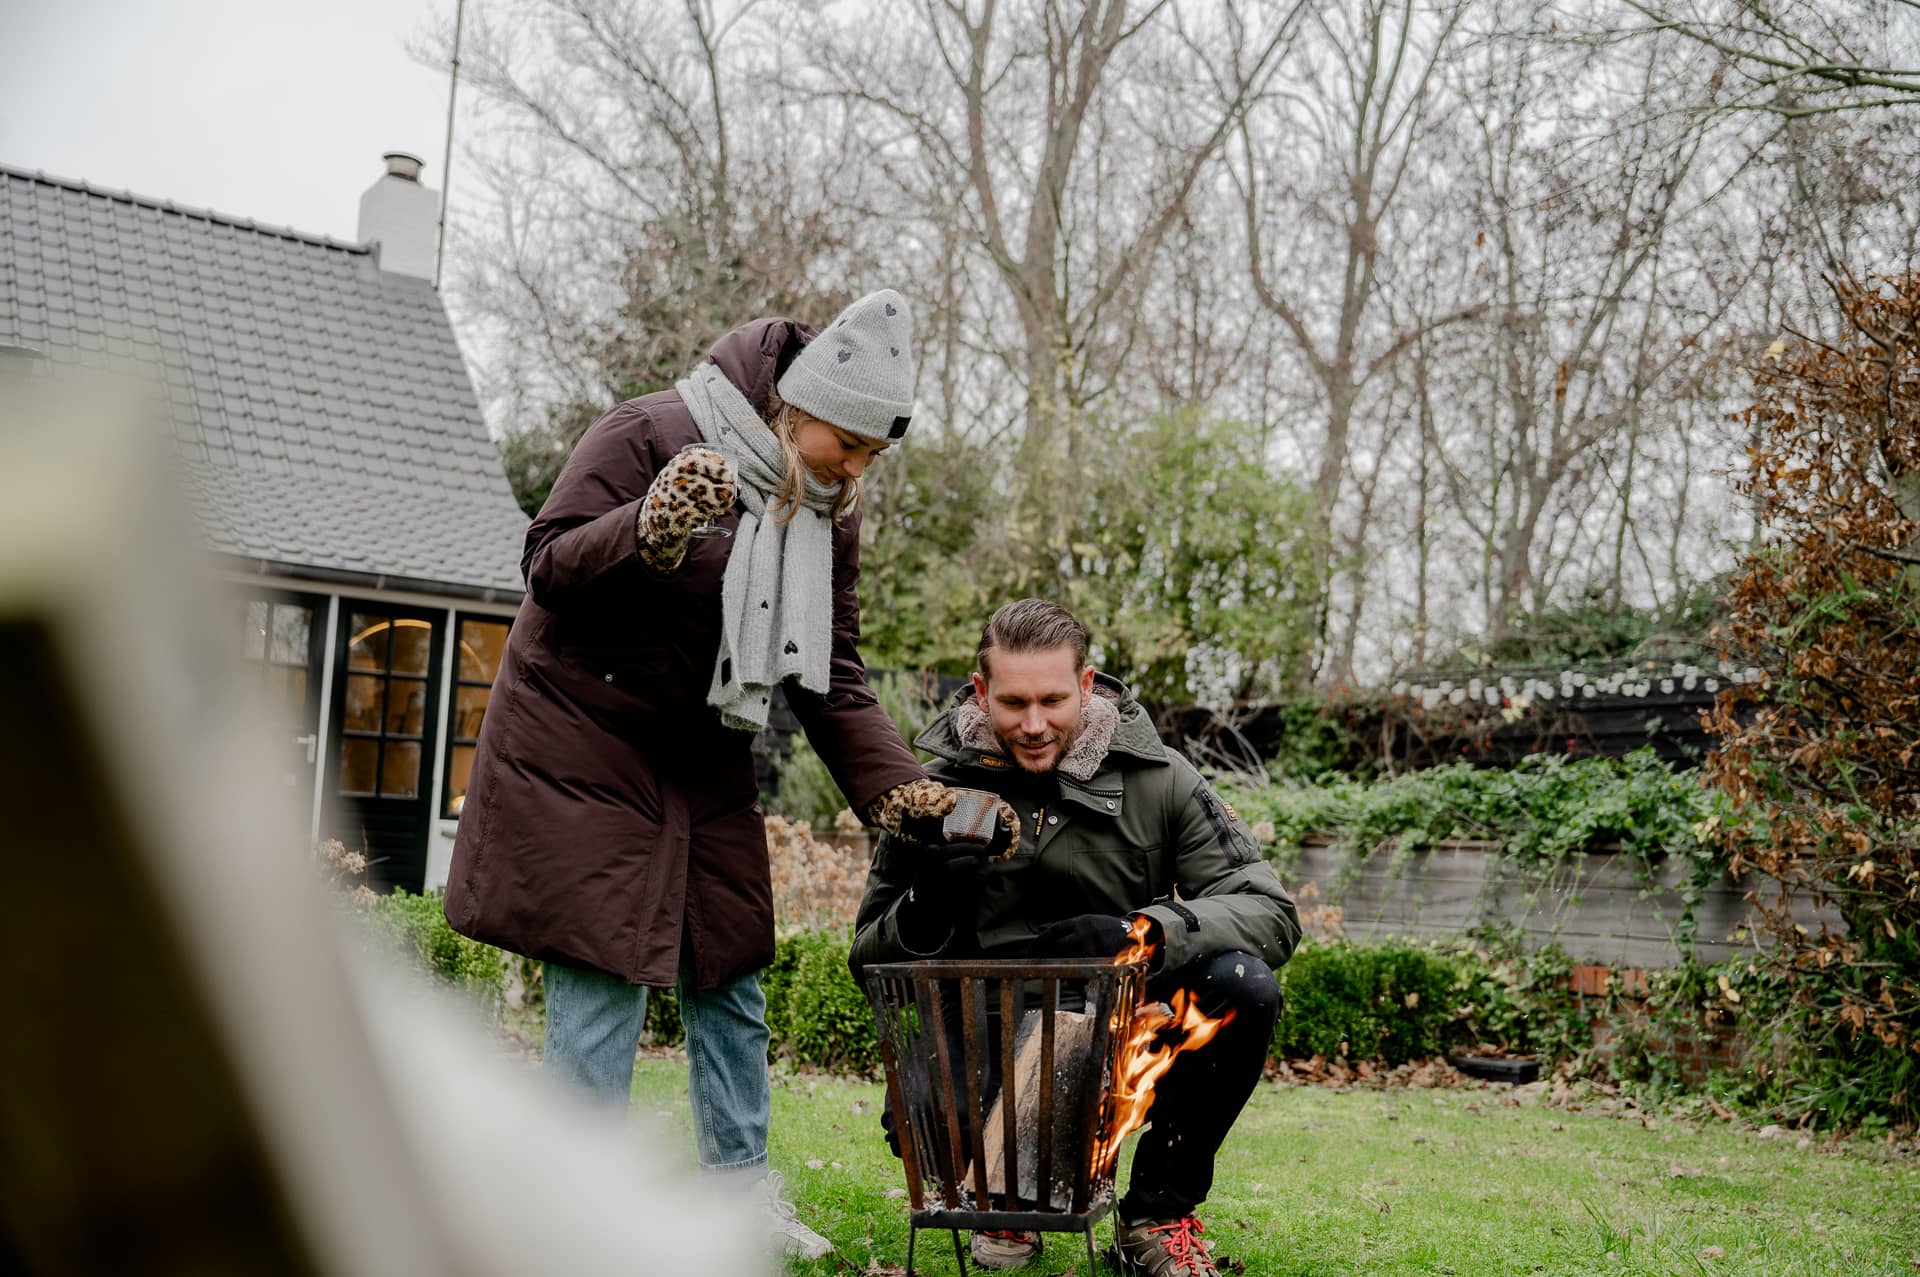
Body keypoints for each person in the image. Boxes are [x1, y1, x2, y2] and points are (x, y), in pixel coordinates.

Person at [444, 291, 1016, 1260]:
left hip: (706, 743)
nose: (858, 469)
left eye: (875, 453)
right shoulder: (649, 430)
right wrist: (649, 527)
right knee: (602, 971)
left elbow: (832, 671)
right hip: (582, 735)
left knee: (733, 963)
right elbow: (546, 564)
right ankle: (570, 1205)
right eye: (851, 442)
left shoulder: (829, 508)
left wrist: (902, 792)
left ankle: (739, 1191)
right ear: (800, 404)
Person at [850, 599, 1300, 1277]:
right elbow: (866, 959)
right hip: (982, 1049)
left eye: (1054, 700)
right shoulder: (931, 792)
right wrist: (922, 906)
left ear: (1087, 686)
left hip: (1115, 1045)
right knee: (924, 1102)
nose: (1034, 725)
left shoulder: (1162, 779)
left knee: (1242, 984)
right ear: (980, 692)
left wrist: (1139, 931)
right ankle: (997, 1193)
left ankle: (1155, 1216)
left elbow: (1270, 910)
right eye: (1014, 702)